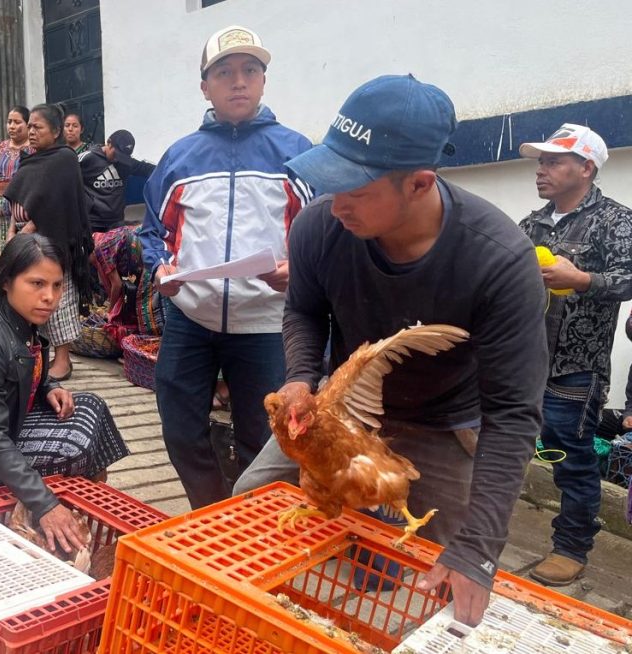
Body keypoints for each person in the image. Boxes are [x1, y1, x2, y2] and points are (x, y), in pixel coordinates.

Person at [233, 74, 548, 627]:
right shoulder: (317, 228)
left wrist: (479, 545)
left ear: (420, 184)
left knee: (429, 574)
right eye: (331, 185)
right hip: (341, 407)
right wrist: (302, 377)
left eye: (355, 190)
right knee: (248, 505)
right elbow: (304, 310)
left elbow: (513, 414)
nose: (336, 208)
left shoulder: (498, 260)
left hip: (445, 422)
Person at [140, 25, 312, 510]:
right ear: (205, 86)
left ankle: (256, 528)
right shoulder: (180, 158)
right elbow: (152, 232)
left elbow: (327, 236)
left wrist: (296, 269)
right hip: (190, 320)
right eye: (225, 73)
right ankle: (209, 513)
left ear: (263, 81)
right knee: (180, 428)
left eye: (249, 71)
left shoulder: (297, 154)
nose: (238, 82)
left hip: (265, 324)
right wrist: (159, 270)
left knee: (266, 439)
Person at [0, 233, 129, 551]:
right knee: (72, 448)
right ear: (6, 281)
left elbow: (25, 374)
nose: (50, 297)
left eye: (57, 286)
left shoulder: (22, 322)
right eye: (37, 284)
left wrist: (49, 388)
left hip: (4, 428)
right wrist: (45, 504)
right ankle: (52, 516)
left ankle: (82, 504)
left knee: (90, 406)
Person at [515, 124, 632, 586]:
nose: (541, 170)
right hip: (525, 359)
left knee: (569, 456)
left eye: (553, 161)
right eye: (540, 162)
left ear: (586, 167)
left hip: (575, 366)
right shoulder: (532, 224)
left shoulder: (615, 221)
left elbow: (629, 279)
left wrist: (581, 278)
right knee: (508, 444)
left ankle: (571, 546)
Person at [3, 103, 94, 382]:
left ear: (55, 132)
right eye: (29, 126)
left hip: (53, 241)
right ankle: (36, 355)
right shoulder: (31, 160)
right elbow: (21, 199)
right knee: (27, 295)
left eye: (37, 127)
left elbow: (54, 205)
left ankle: (63, 360)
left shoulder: (63, 159)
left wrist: (27, 230)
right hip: (25, 238)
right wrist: (11, 230)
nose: (31, 132)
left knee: (57, 299)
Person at [79, 129, 156, 233]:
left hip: (116, 222)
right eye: (116, 155)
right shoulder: (87, 158)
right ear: (109, 143)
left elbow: (147, 169)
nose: (117, 160)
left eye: (122, 157)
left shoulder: (126, 162)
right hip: (92, 223)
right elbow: (65, 176)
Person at [0, 105, 32, 242]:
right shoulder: (1, 147)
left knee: (24, 246)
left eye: (17, 122)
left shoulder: (33, 148)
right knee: (5, 242)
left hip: (24, 207)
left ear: (27, 125)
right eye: (9, 122)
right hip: (3, 204)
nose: (11, 126)